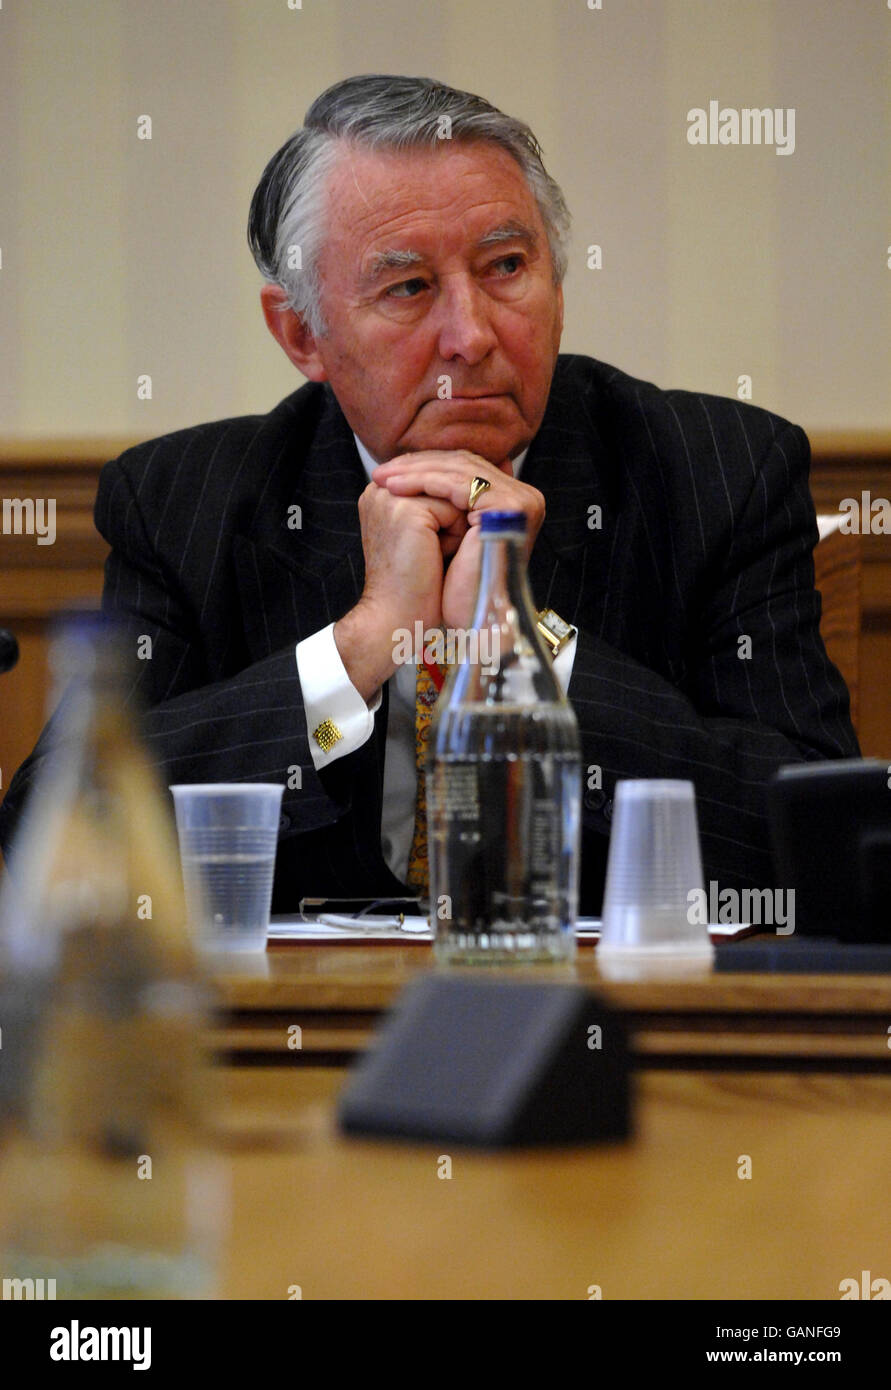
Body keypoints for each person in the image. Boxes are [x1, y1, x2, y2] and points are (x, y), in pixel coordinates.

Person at [0, 74, 859, 911]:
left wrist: (526, 644)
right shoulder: (184, 501)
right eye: (409, 287)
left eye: (506, 267)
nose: (472, 335)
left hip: (620, 1023)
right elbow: (55, 839)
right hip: (293, 1037)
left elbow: (822, 846)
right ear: (304, 334)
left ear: (556, 285)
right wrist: (361, 645)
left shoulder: (716, 471)